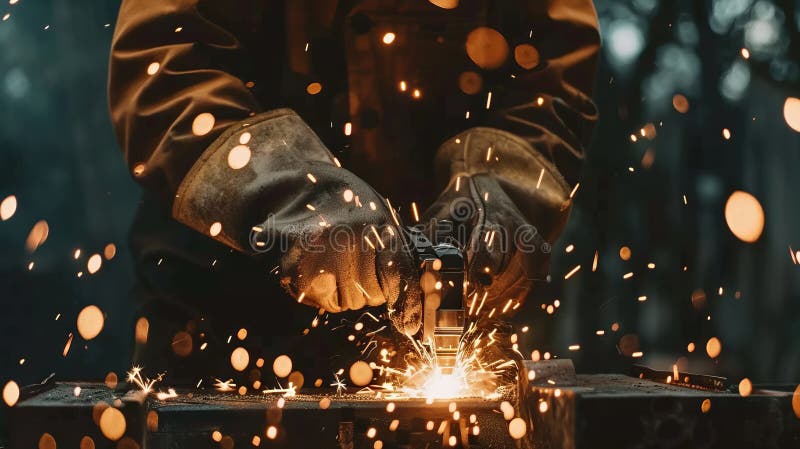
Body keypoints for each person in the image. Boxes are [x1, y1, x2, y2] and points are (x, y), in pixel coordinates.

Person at [108, 0, 599, 387]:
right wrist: (289, 192)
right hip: (218, 295)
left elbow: (550, 80)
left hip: (448, 299)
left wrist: (498, 192)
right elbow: (165, 64)